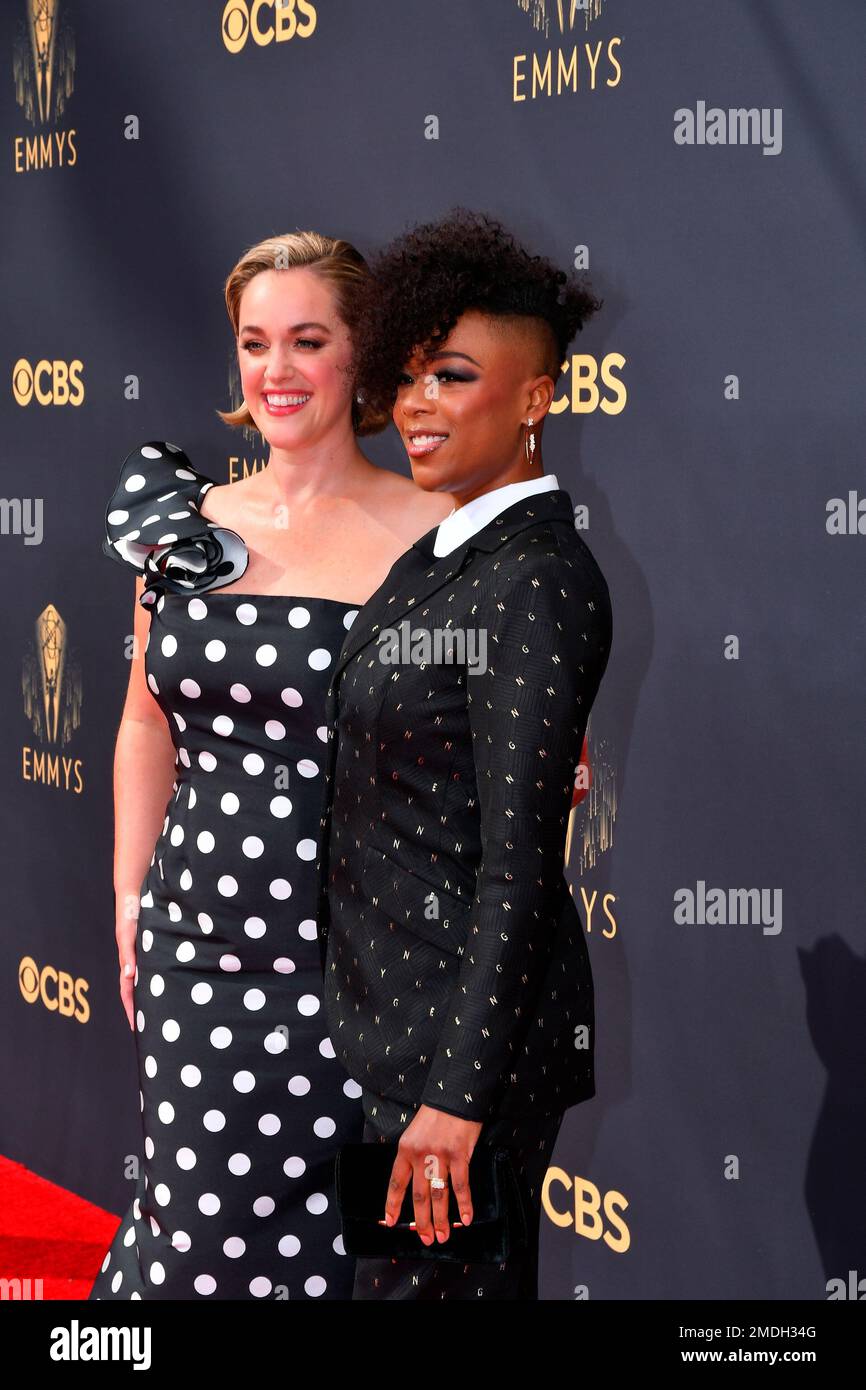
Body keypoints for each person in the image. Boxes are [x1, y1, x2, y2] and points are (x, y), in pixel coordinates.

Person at [88, 231, 452, 1300]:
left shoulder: (432, 532)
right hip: (197, 945)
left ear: (364, 352)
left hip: (360, 964)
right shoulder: (184, 527)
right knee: (191, 1239)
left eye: (307, 339)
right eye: (255, 343)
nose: (276, 371)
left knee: (347, 1259)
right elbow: (144, 725)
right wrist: (128, 899)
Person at [315, 208, 613, 1300]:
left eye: (449, 376)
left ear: (533, 398)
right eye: (405, 378)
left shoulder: (533, 578)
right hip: (398, 1028)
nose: (413, 407)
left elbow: (518, 865)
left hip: (456, 1055)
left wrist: (456, 1096)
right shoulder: (443, 549)